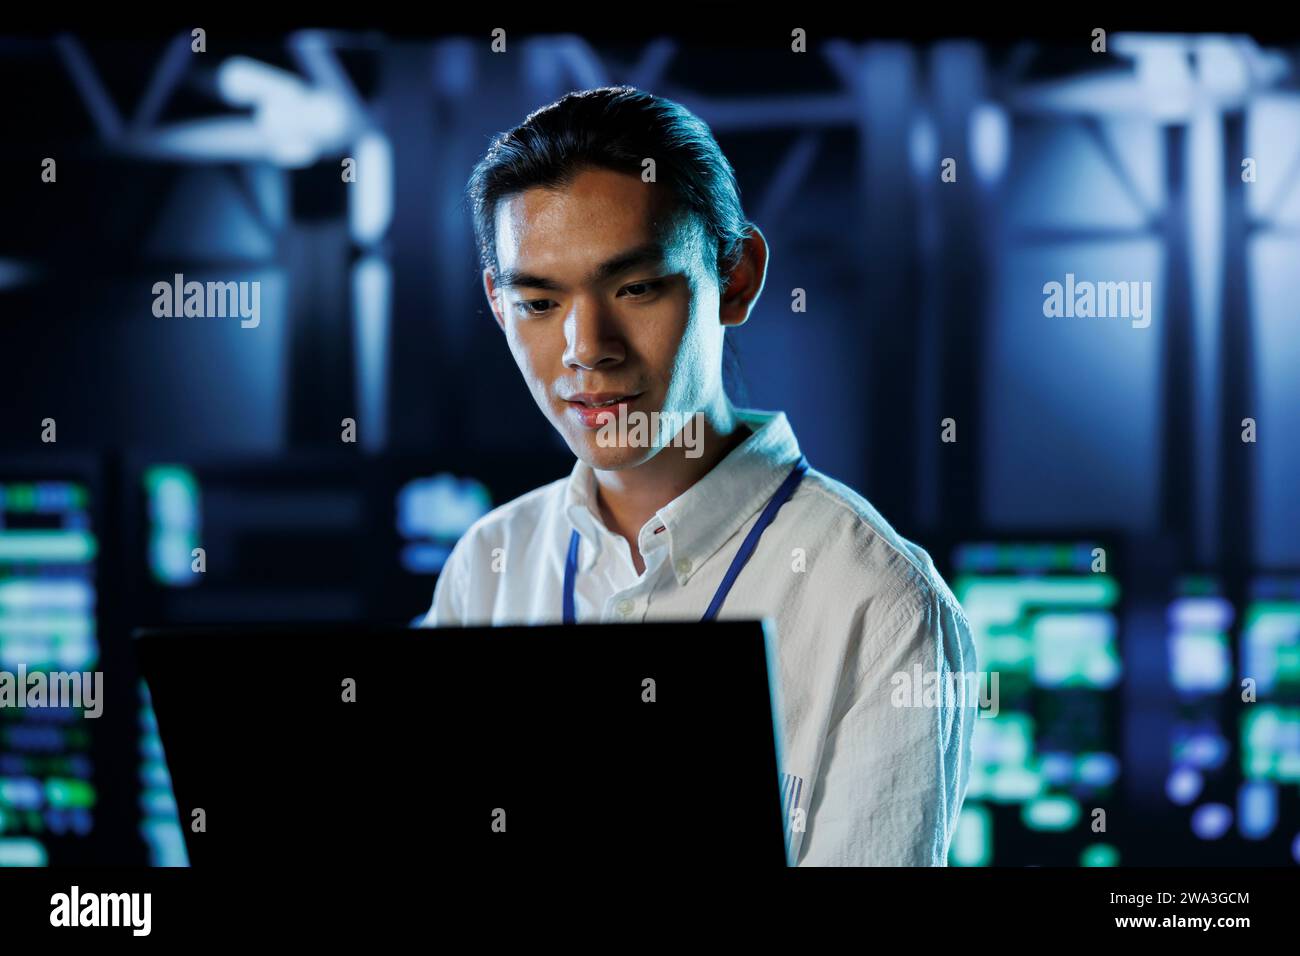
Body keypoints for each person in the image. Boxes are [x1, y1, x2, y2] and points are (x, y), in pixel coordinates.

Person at [421, 85, 977, 866]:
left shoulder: (878, 604)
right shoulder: (487, 564)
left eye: (636, 287)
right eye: (540, 302)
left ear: (738, 276)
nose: (587, 348)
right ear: (498, 304)